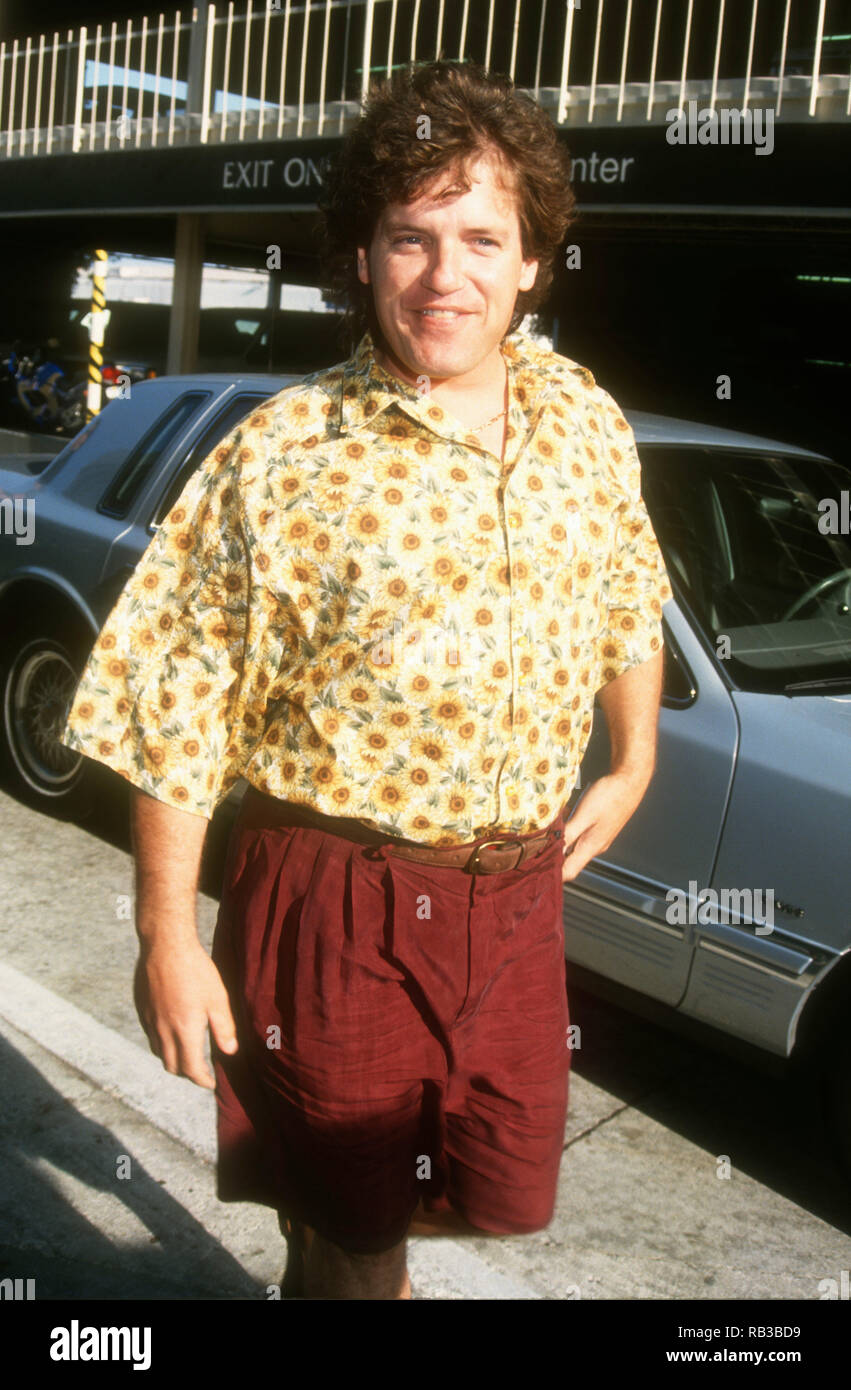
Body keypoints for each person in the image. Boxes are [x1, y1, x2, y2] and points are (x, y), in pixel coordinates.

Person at [60, 59, 673, 1300]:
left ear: (531, 261)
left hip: (513, 898)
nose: (446, 275)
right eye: (410, 237)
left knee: (480, 1196)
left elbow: (628, 591)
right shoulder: (281, 452)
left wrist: (635, 753)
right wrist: (166, 936)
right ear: (361, 256)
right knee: (353, 1235)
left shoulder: (583, 420)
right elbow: (175, 701)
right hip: (337, 897)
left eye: (480, 237)